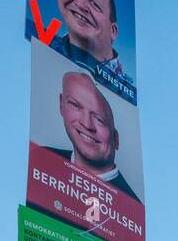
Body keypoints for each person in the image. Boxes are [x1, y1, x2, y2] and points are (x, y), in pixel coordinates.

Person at [46, 71, 141, 202]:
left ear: (116, 139)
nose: (87, 124)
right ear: (61, 104)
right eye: (75, 105)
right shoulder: (42, 158)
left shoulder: (131, 207)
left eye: (99, 119)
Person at [51, 0, 126, 79]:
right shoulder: (46, 47)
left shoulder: (124, 90)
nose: (80, 4)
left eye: (94, 3)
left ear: (113, 31)